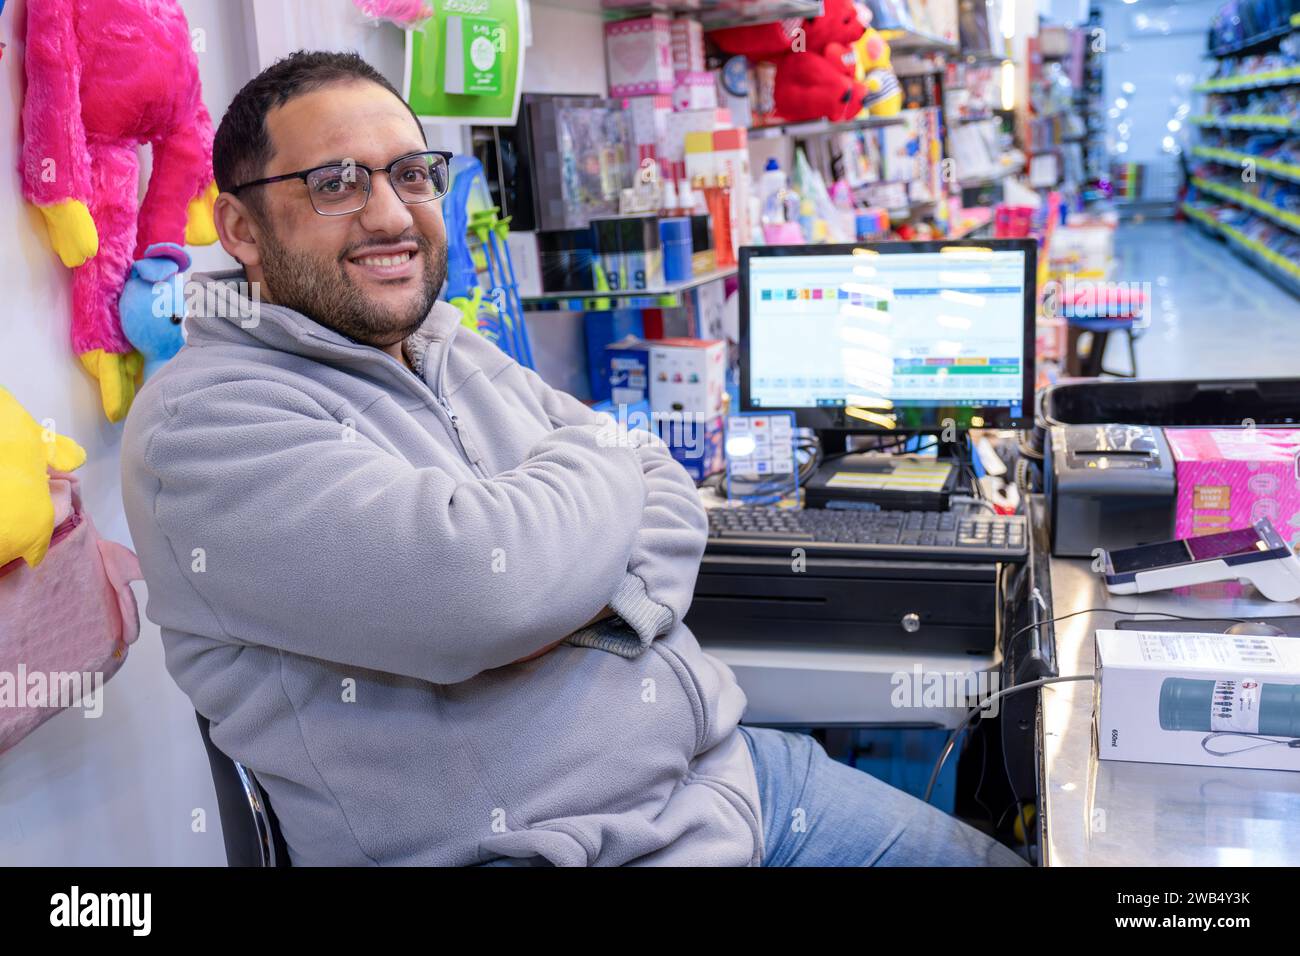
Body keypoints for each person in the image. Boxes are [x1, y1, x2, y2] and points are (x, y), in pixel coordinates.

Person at [121, 50, 1025, 867]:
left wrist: (589, 602)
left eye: (410, 174)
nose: (391, 214)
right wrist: (570, 514)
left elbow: (662, 487)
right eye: (335, 184)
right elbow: (483, 589)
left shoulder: (443, 342)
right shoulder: (204, 424)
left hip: (733, 781)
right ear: (239, 228)